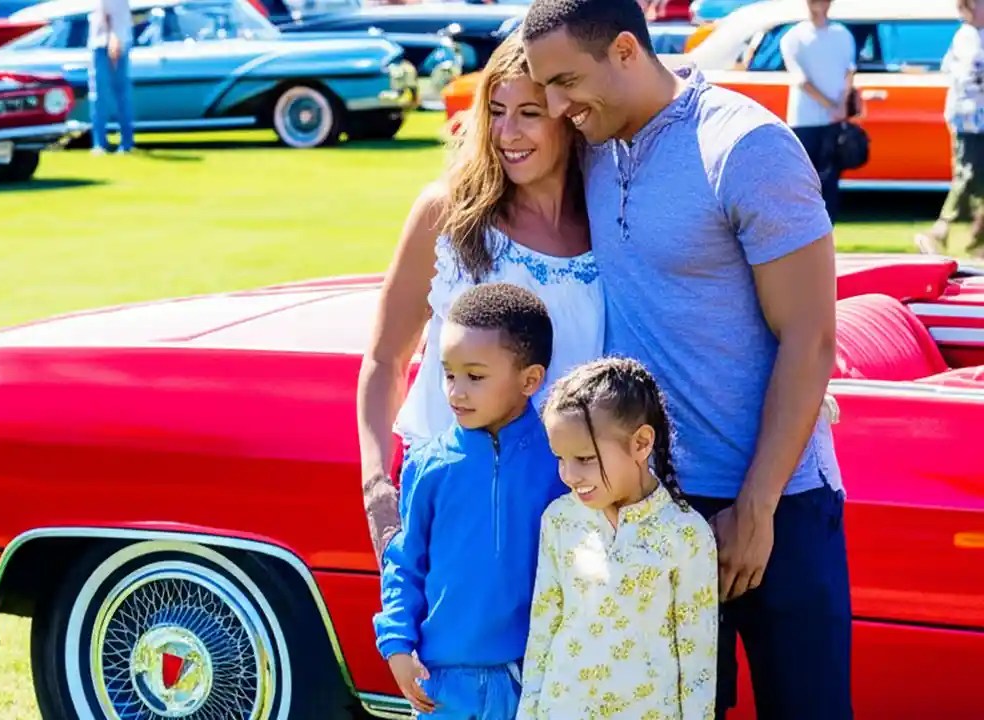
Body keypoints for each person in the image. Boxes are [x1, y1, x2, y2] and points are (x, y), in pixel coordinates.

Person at [519, 1, 850, 718]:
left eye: (567, 80)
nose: (555, 106)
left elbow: (811, 338)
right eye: (545, 86)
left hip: (776, 505)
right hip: (651, 507)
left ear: (629, 51)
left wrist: (756, 507)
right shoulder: (595, 144)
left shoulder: (745, 145)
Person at [357, 31, 604, 561]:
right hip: (458, 507)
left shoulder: (609, 222)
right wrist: (377, 487)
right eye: (495, 110)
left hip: (577, 514)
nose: (506, 132)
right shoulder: (447, 215)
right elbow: (384, 358)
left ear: (568, 115)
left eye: (530, 113)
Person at [373, 282, 567, 719]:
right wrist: (397, 643)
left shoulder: (560, 463)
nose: (456, 392)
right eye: (448, 373)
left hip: (534, 678)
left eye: (475, 377)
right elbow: (405, 563)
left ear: (530, 380)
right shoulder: (429, 466)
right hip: (442, 684)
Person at [519, 356, 718, 720]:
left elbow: (698, 660)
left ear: (641, 443)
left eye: (584, 458)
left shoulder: (686, 535)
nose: (569, 474)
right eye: (560, 459)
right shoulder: (560, 520)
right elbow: (544, 628)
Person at [916, 0, 984, 259]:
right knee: (968, 176)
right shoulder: (966, 38)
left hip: (979, 120)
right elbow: (973, 75)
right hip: (970, 121)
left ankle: (978, 244)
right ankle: (938, 233)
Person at [779, 0, 858, 222]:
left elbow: (849, 71)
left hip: (833, 120)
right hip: (803, 120)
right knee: (803, 180)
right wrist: (831, 105)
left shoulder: (842, 34)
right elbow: (800, 80)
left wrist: (842, 103)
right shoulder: (794, 37)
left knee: (830, 180)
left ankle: (827, 230)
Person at [87, 0, 135, 154]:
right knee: (110, 95)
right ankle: (106, 142)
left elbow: (111, 16)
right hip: (105, 42)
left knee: (110, 94)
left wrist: (113, 41)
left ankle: (112, 143)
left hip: (109, 43)